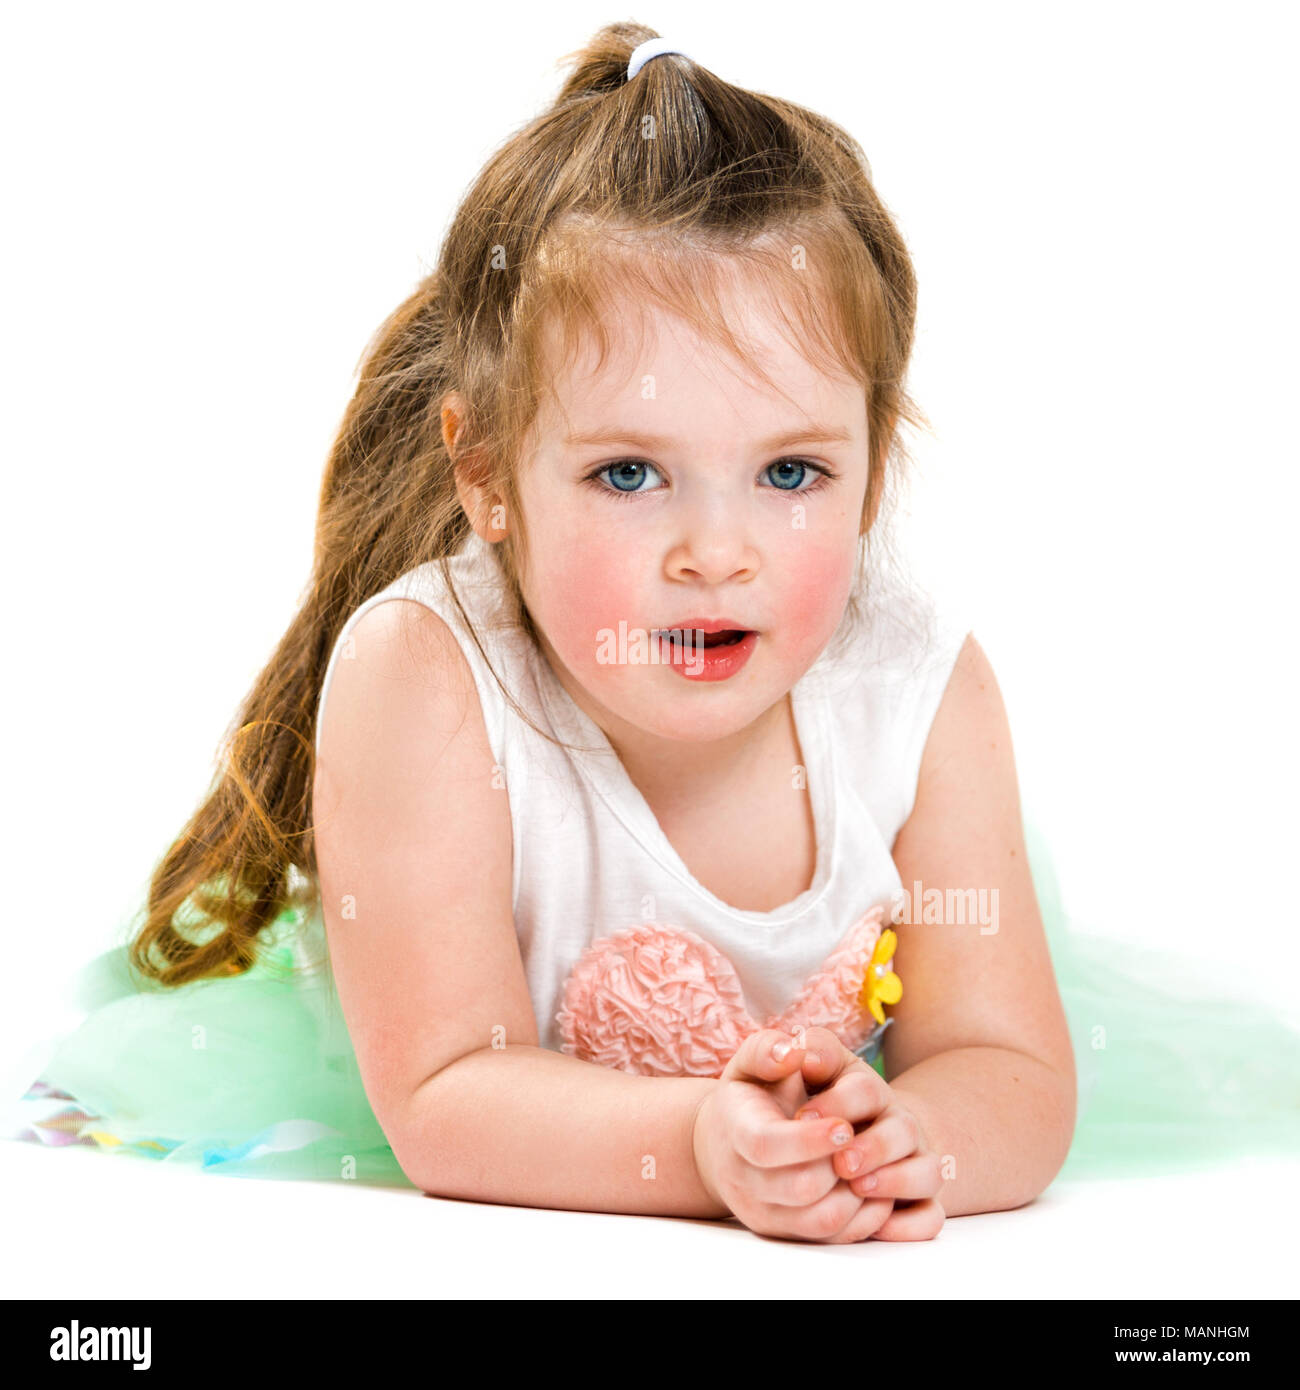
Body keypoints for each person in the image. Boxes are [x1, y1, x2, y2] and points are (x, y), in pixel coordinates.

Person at [10, 23, 1298, 1241]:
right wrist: (700, 1147)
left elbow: (1010, 1068)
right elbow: (451, 1094)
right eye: (630, 475)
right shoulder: (430, 679)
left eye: (792, 474)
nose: (717, 553)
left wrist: (909, 1138)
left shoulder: (916, 685)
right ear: (488, 472)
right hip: (418, 1059)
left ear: (873, 462)